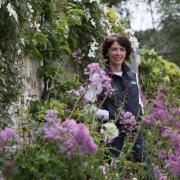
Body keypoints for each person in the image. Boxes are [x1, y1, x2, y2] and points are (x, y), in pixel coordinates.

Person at [96, 34, 151, 164]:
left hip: (133, 131)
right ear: (107, 52)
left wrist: (140, 116)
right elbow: (86, 106)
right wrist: (109, 115)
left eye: (122, 49)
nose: (118, 53)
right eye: (114, 49)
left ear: (126, 53)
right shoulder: (100, 76)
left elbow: (138, 101)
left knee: (146, 167)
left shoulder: (132, 76)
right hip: (112, 133)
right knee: (111, 169)